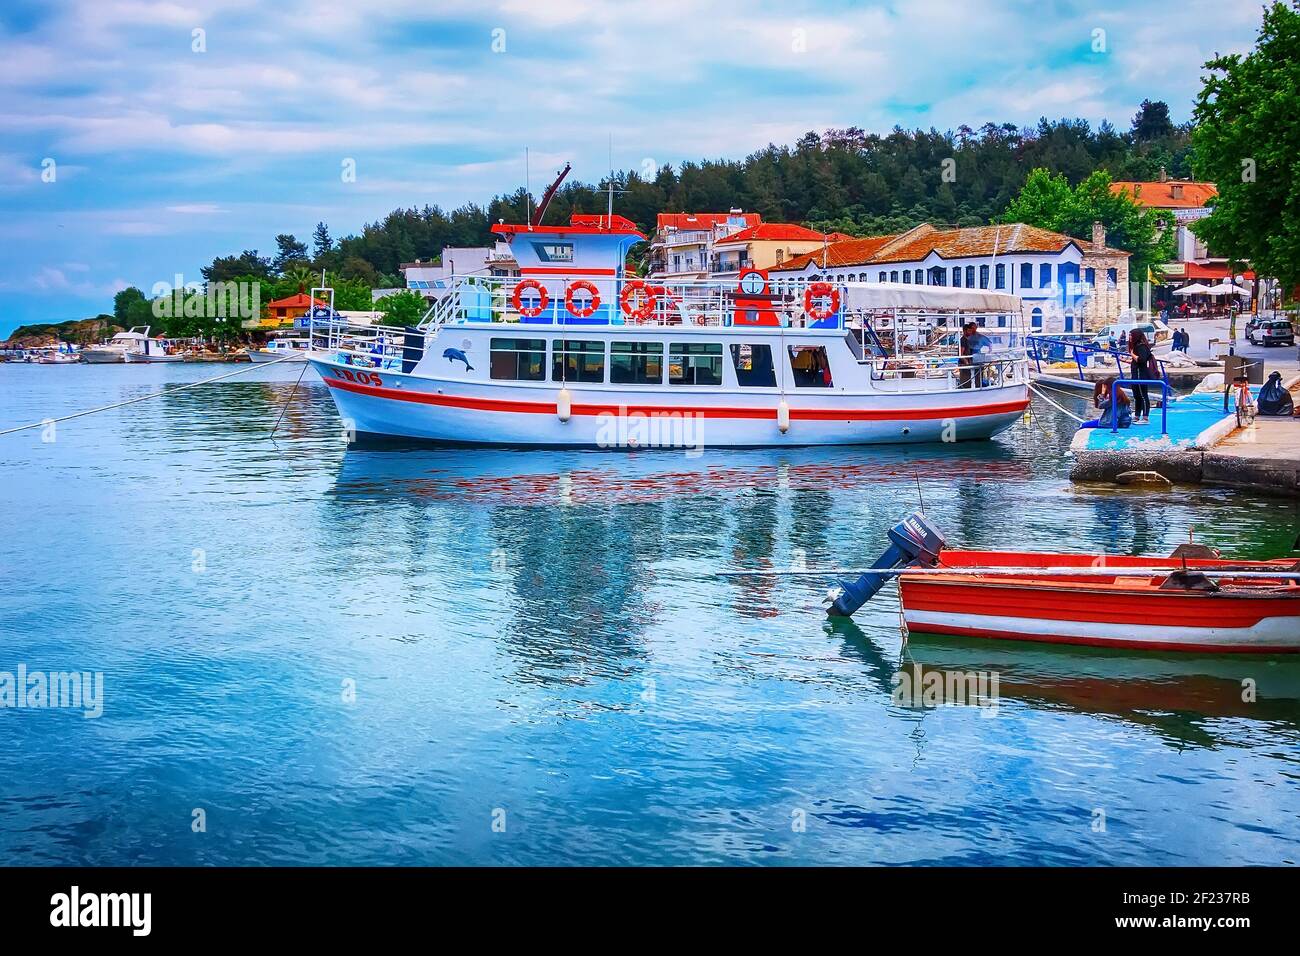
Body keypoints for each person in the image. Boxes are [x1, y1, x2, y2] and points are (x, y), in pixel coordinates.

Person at [1129, 328, 1156, 424]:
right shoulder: (1137, 346)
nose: (1130, 337)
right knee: (1137, 395)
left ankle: (1145, 417)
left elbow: (1142, 360)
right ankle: (1137, 415)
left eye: (1131, 335)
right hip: (1136, 374)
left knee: (1143, 395)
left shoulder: (1141, 346)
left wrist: (1132, 354)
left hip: (1141, 374)